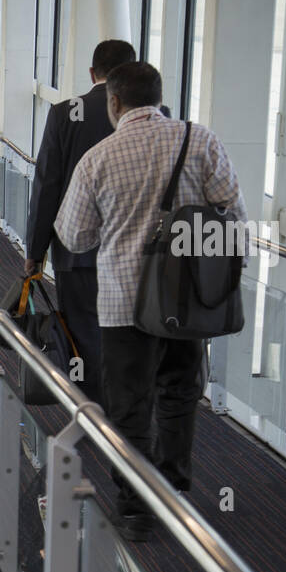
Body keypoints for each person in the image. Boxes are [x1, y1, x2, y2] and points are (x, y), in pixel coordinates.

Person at [54, 61, 246, 542]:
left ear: (114, 103)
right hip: (187, 299)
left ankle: (137, 507)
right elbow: (233, 216)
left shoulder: (98, 158)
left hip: (123, 304)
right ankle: (175, 490)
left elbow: (75, 236)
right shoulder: (201, 141)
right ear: (160, 97)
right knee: (180, 394)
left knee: (129, 405)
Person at [27, 40, 163, 404]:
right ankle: (134, 403)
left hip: (79, 253)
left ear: (93, 73)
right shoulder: (160, 116)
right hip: (142, 252)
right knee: (137, 328)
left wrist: (34, 252)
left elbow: (47, 188)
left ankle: (93, 410)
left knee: (85, 332)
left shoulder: (64, 113)